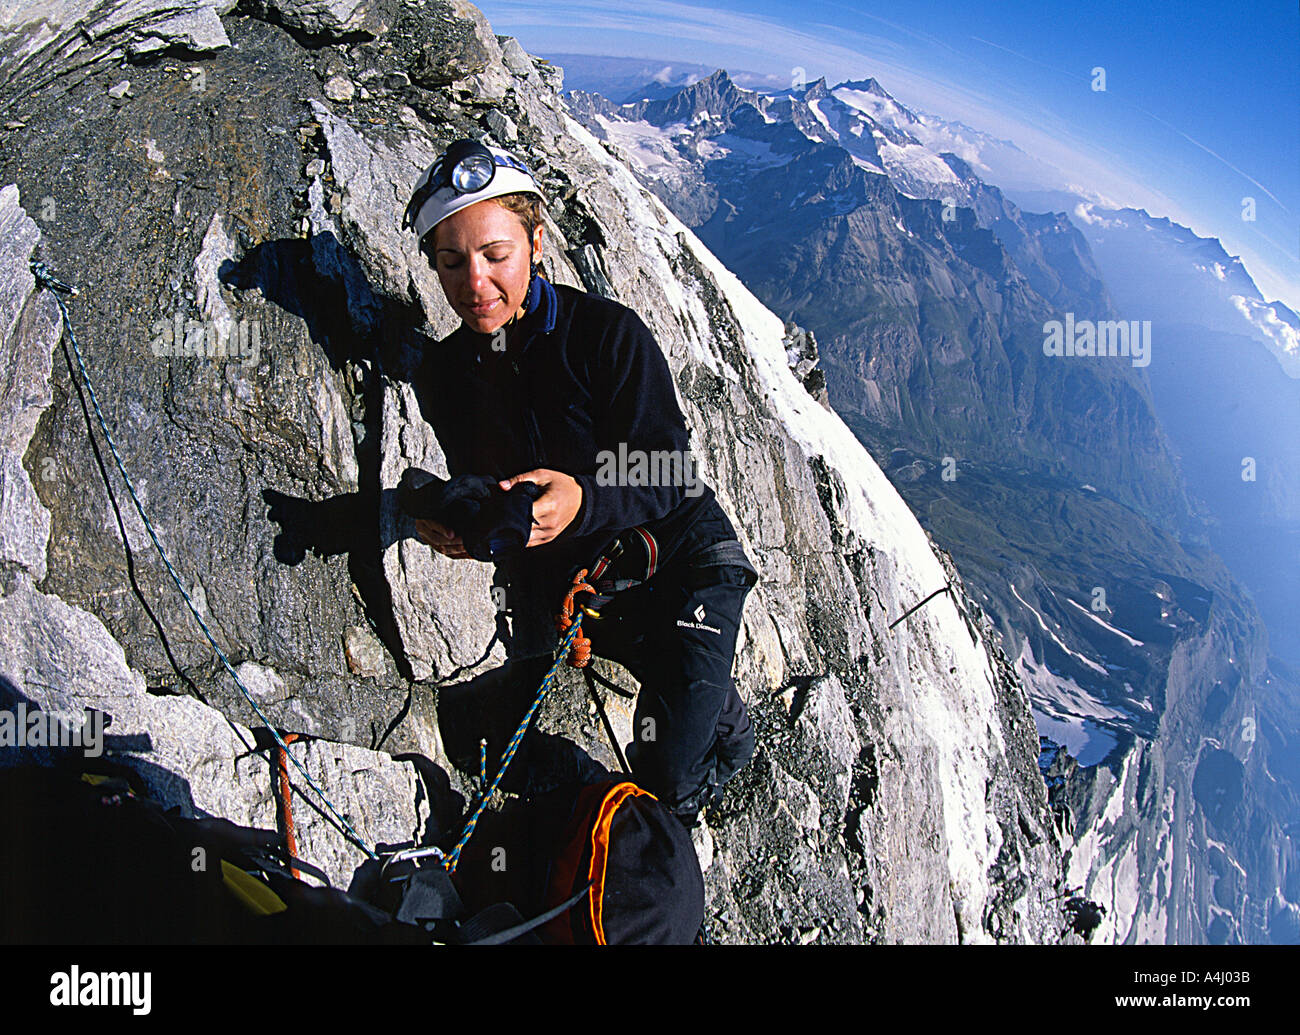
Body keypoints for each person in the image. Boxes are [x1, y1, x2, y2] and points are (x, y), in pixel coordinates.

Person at [403, 138, 758, 825]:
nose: (474, 283)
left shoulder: (606, 337)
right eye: (451, 262)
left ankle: (720, 722)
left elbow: (672, 469)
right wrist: (449, 517)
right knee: (477, 736)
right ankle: (681, 684)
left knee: (669, 782)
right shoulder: (447, 376)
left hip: (685, 562)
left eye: (495, 255)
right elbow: (488, 482)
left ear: (536, 243)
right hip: (590, 590)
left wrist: (584, 495)